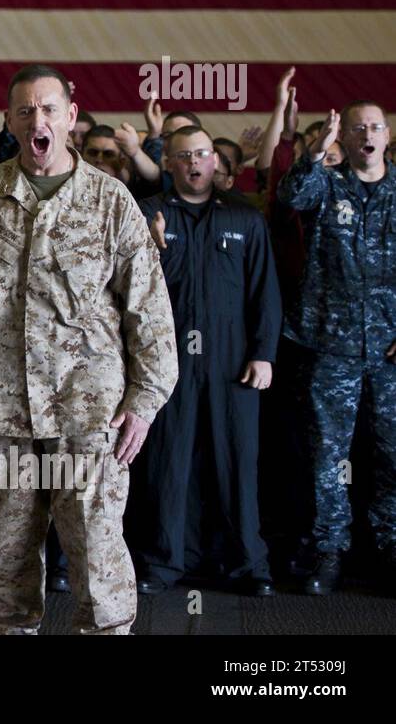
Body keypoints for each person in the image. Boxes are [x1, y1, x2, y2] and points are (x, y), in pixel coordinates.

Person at [0, 64, 178, 634]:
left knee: (97, 556)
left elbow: (150, 310)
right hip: (5, 411)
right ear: (10, 121)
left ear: (71, 118)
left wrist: (147, 399)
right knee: (8, 562)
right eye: (27, 110)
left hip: (89, 412)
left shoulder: (110, 201)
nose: (39, 120)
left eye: (50, 109)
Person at [130, 127, 281, 596]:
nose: (193, 162)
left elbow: (266, 294)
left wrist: (264, 354)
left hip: (232, 364)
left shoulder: (245, 219)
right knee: (168, 465)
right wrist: (147, 251)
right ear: (169, 164)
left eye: (201, 153)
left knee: (237, 464)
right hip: (168, 365)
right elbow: (124, 292)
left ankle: (248, 566)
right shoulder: (148, 215)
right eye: (183, 155)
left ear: (215, 162)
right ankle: (163, 563)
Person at [277, 102, 396, 594]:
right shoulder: (327, 182)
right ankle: (329, 550)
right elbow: (292, 196)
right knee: (329, 453)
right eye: (355, 129)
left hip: (390, 347)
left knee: (393, 452)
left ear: (386, 135)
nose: (366, 135)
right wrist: (316, 148)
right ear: (344, 138)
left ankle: (390, 547)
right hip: (331, 342)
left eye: (374, 127)